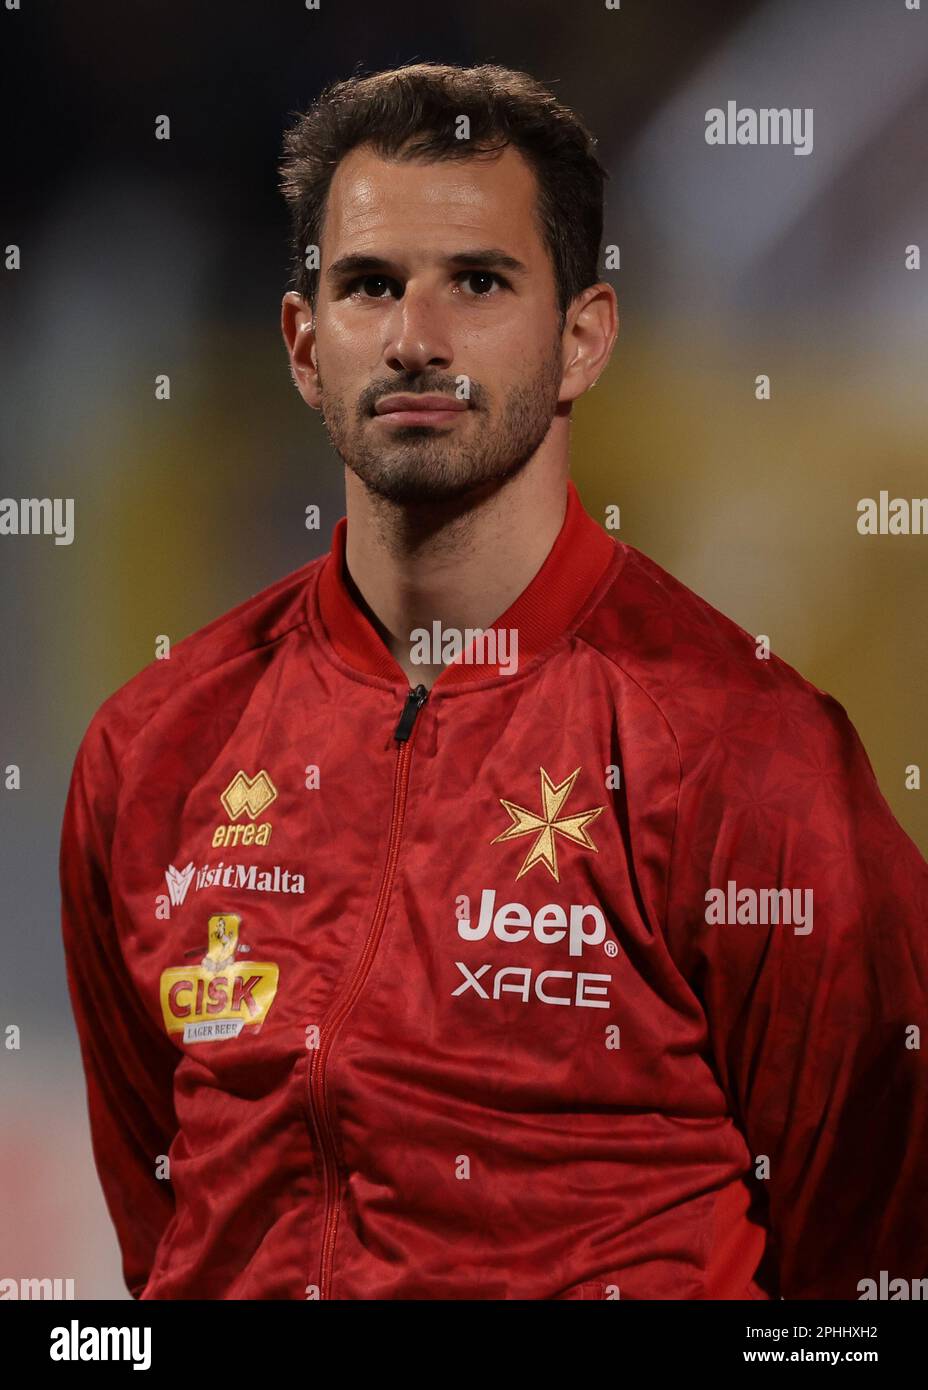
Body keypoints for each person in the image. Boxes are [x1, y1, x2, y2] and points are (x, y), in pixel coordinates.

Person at [60, 61, 928, 1301]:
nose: (415, 338)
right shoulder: (153, 747)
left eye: (478, 281)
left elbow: (882, 1249)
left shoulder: (752, 758)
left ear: (583, 339)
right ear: (305, 347)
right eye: (368, 286)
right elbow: (167, 1227)